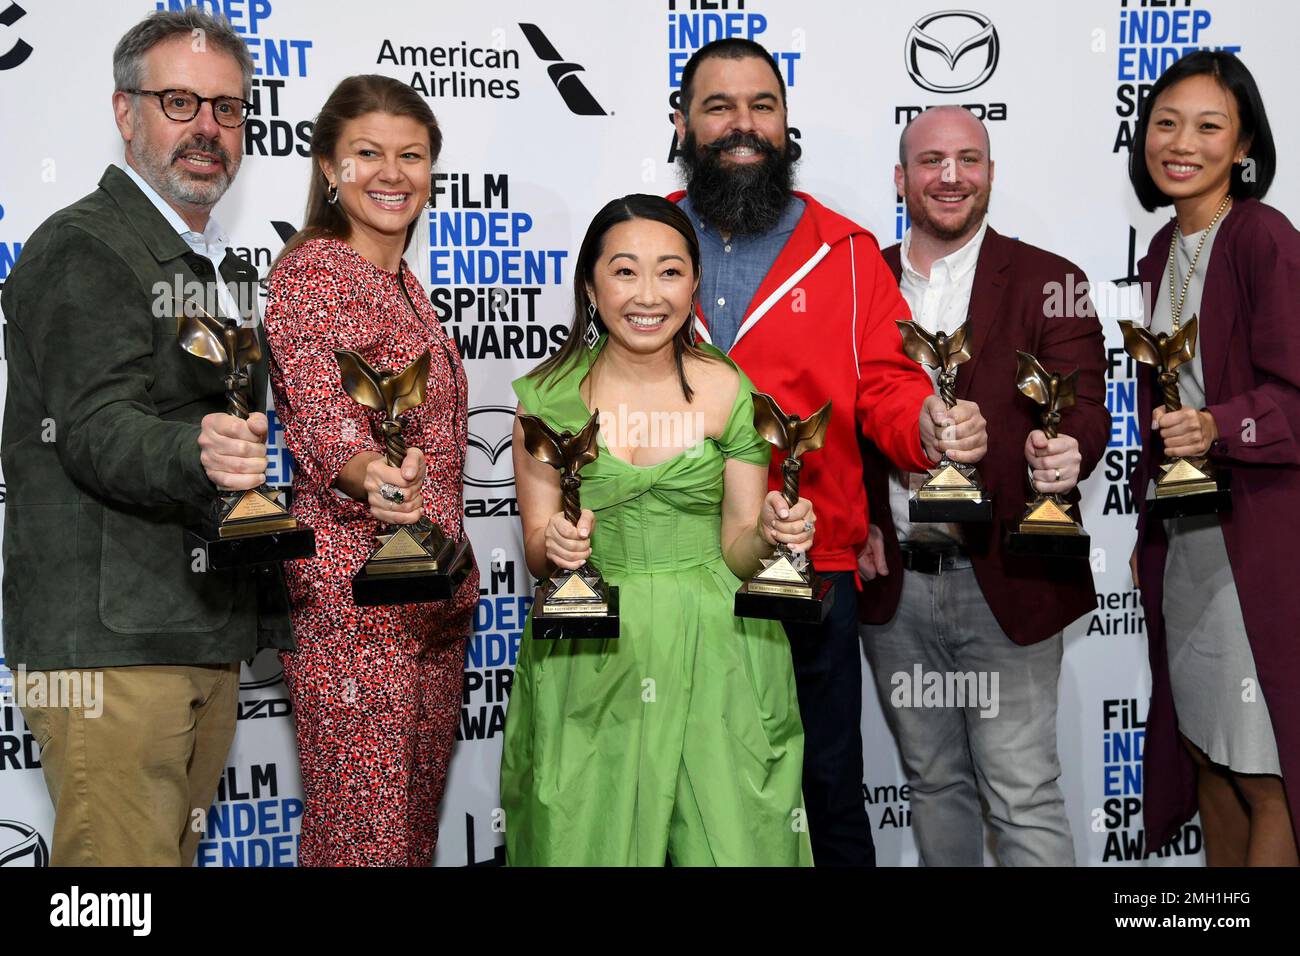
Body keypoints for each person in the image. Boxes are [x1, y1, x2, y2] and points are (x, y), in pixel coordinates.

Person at [667, 38, 980, 866]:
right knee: (678, 786)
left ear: (785, 121)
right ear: (682, 124)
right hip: (668, 564)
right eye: (719, 107)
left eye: (762, 106)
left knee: (826, 788)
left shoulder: (846, 253)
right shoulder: (642, 241)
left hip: (812, 563)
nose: (743, 125)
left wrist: (929, 428)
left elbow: (884, 384)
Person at [0, 9, 288, 866]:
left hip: (193, 631)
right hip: (113, 657)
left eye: (228, 109)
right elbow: (91, 429)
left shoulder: (201, 264)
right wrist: (197, 450)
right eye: (178, 101)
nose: (208, 128)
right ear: (125, 113)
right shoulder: (85, 248)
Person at [500, 194, 815, 866]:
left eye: (670, 272)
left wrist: (775, 533)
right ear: (590, 284)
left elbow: (739, 547)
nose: (648, 295)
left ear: (694, 283)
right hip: (592, 653)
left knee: (734, 847)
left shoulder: (729, 390)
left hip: (720, 646)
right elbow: (535, 546)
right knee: (584, 843)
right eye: (624, 271)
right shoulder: (544, 399)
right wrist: (555, 548)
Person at [858, 106, 1110, 865]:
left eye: (969, 159)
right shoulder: (863, 278)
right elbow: (840, 413)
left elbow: (1086, 405)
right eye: (932, 161)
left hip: (1008, 573)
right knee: (934, 784)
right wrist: (856, 520)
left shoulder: (1048, 281)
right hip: (896, 582)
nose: (951, 176)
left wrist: (1068, 450)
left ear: (991, 173)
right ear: (901, 179)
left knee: (1021, 792)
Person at [263, 75, 479, 866]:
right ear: (329, 167)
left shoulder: (403, 284)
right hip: (359, 602)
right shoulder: (316, 272)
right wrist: (374, 479)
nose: (393, 174)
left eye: (412, 156)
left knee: (406, 838)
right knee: (365, 844)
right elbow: (325, 424)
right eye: (368, 154)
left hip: (433, 592)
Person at [1128, 51, 1299, 866]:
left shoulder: (1263, 236)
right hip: (1188, 540)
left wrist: (1220, 426)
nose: (1181, 142)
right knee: (1205, 753)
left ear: (1244, 146)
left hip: (1259, 543)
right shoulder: (1163, 252)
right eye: (1166, 122)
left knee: (1265, 772)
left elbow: (1295, 395)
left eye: (1208, 126)